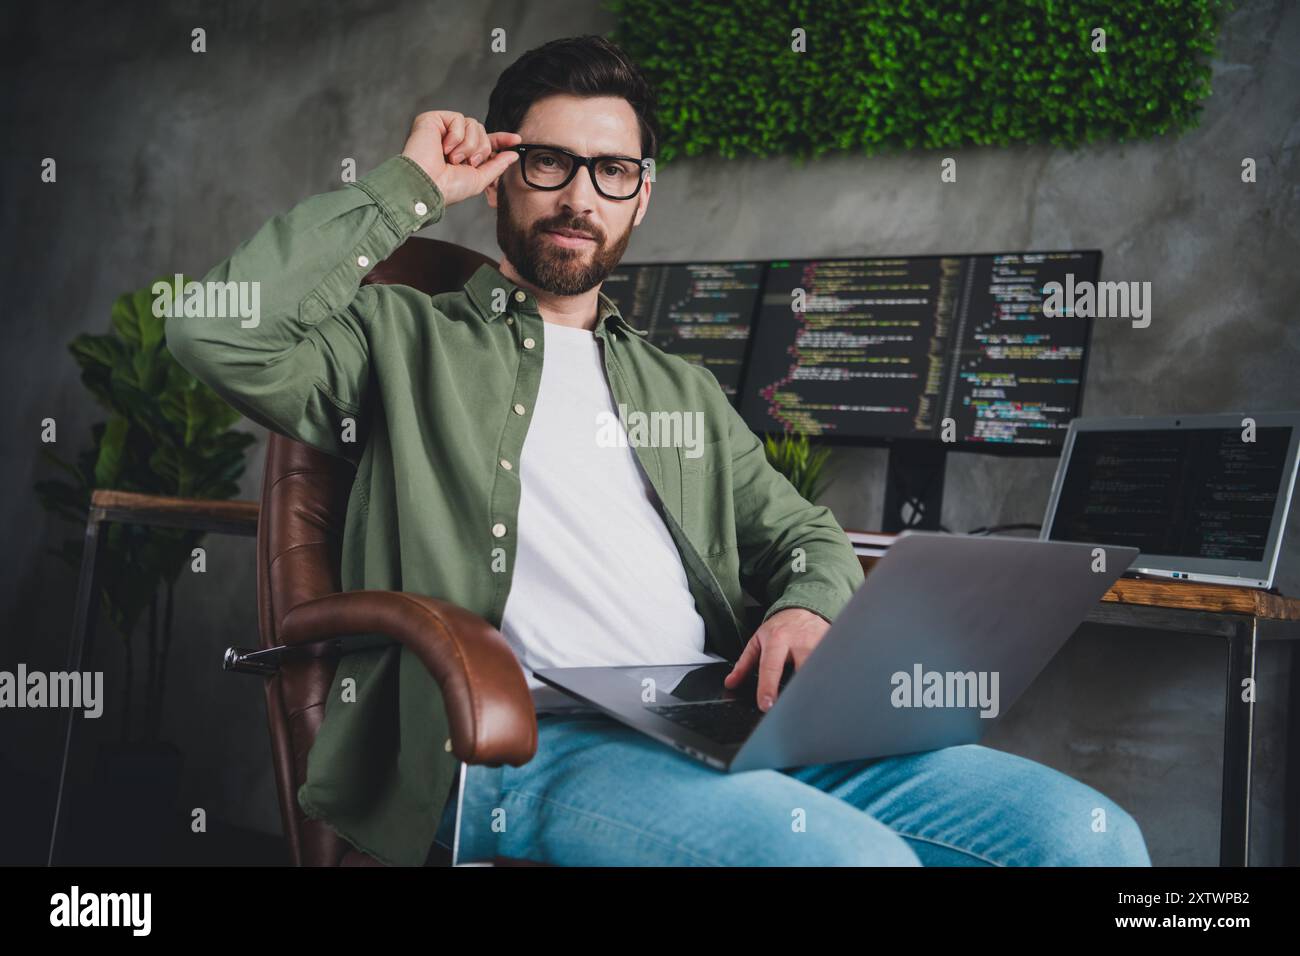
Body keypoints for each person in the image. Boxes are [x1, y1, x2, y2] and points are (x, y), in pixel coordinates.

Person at [166, 34, 1150, 867]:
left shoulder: (678, 389)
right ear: (503, 173)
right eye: (547, 162)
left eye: (612, 171)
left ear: (642, 196)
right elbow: (215, 330)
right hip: (521, 745)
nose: (578, 196)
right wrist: (410, 185)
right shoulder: (402, 339)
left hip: (723, 719)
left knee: (1089, 833)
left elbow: (800, 529)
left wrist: (807, 603)